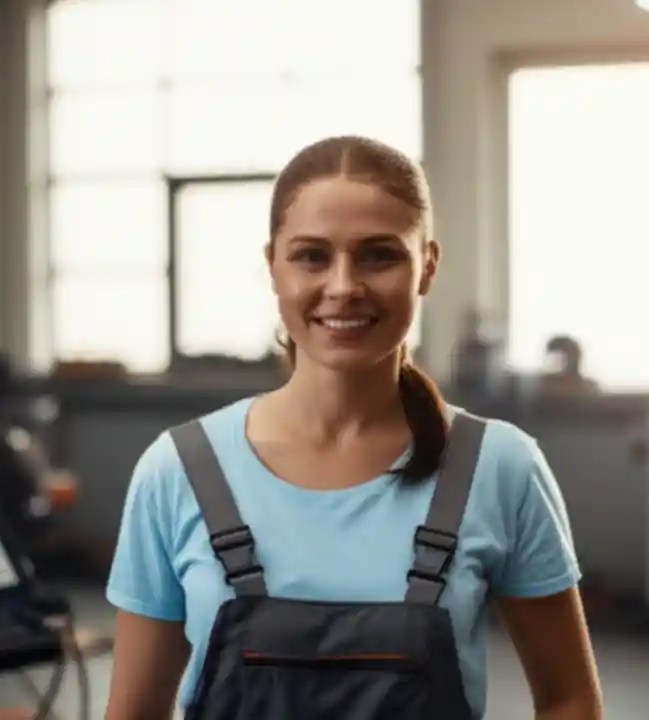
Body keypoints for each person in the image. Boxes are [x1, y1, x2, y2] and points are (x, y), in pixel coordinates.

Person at [104, 136, 603, 719]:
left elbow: (569, 700)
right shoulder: (179, 471)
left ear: (427, 266)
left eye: (379, 255)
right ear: (273, 266)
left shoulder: (499, 467)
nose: (343, 286)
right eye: (312, 256)